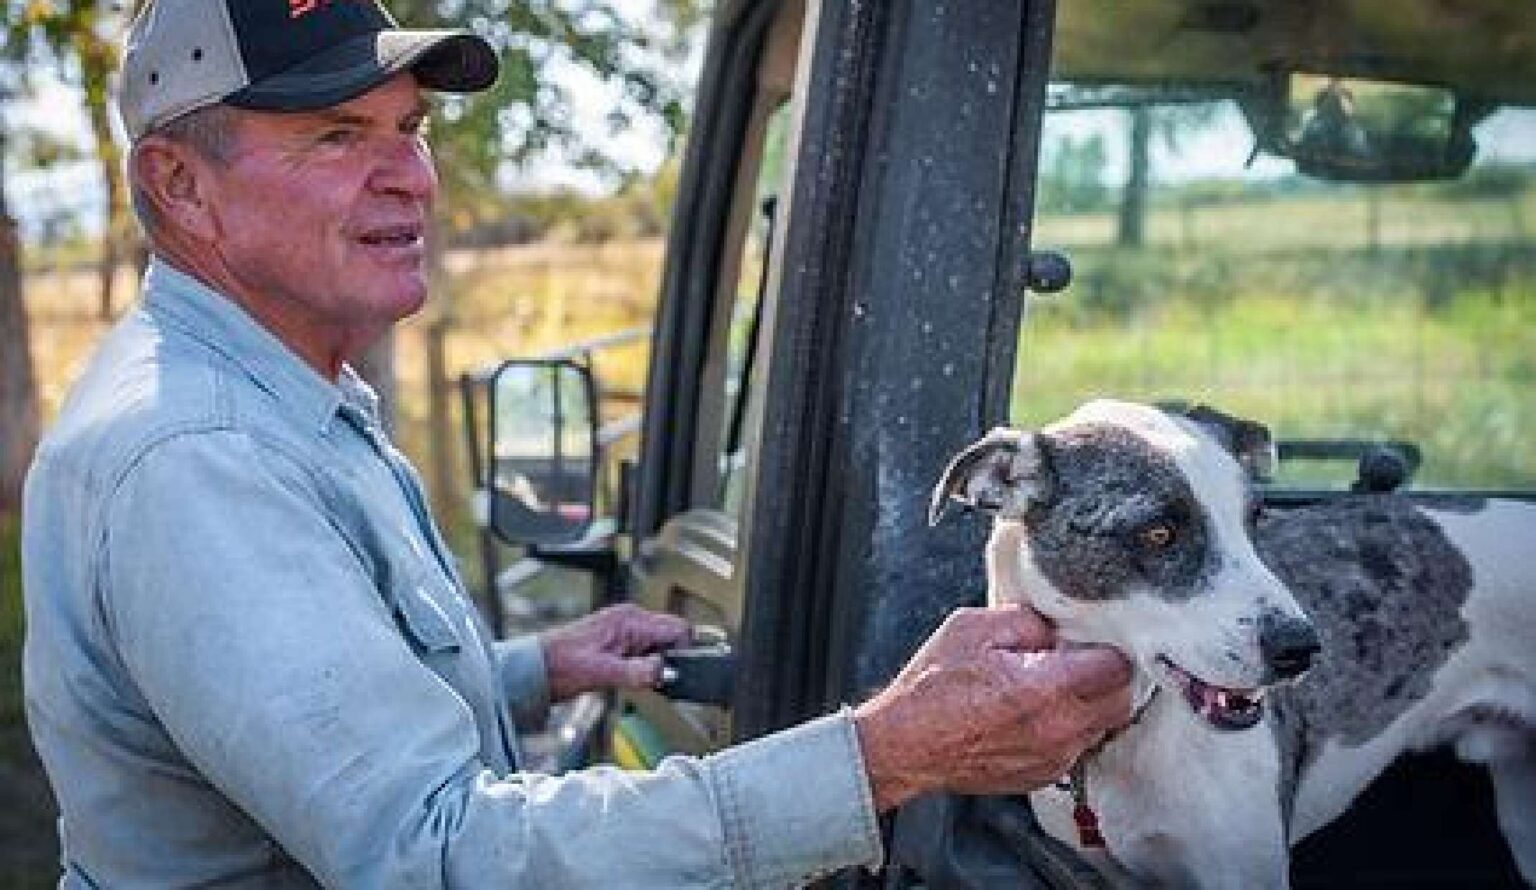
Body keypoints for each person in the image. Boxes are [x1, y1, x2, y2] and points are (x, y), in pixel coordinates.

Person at [20, 0, 1133, 885]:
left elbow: (316, 733)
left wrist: (533, 669)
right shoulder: (199, 456)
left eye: (408, 129)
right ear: (180, 185)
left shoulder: (270, 394)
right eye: (333, 135)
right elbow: (436, 853)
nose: (408, 174)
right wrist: (886, 755)